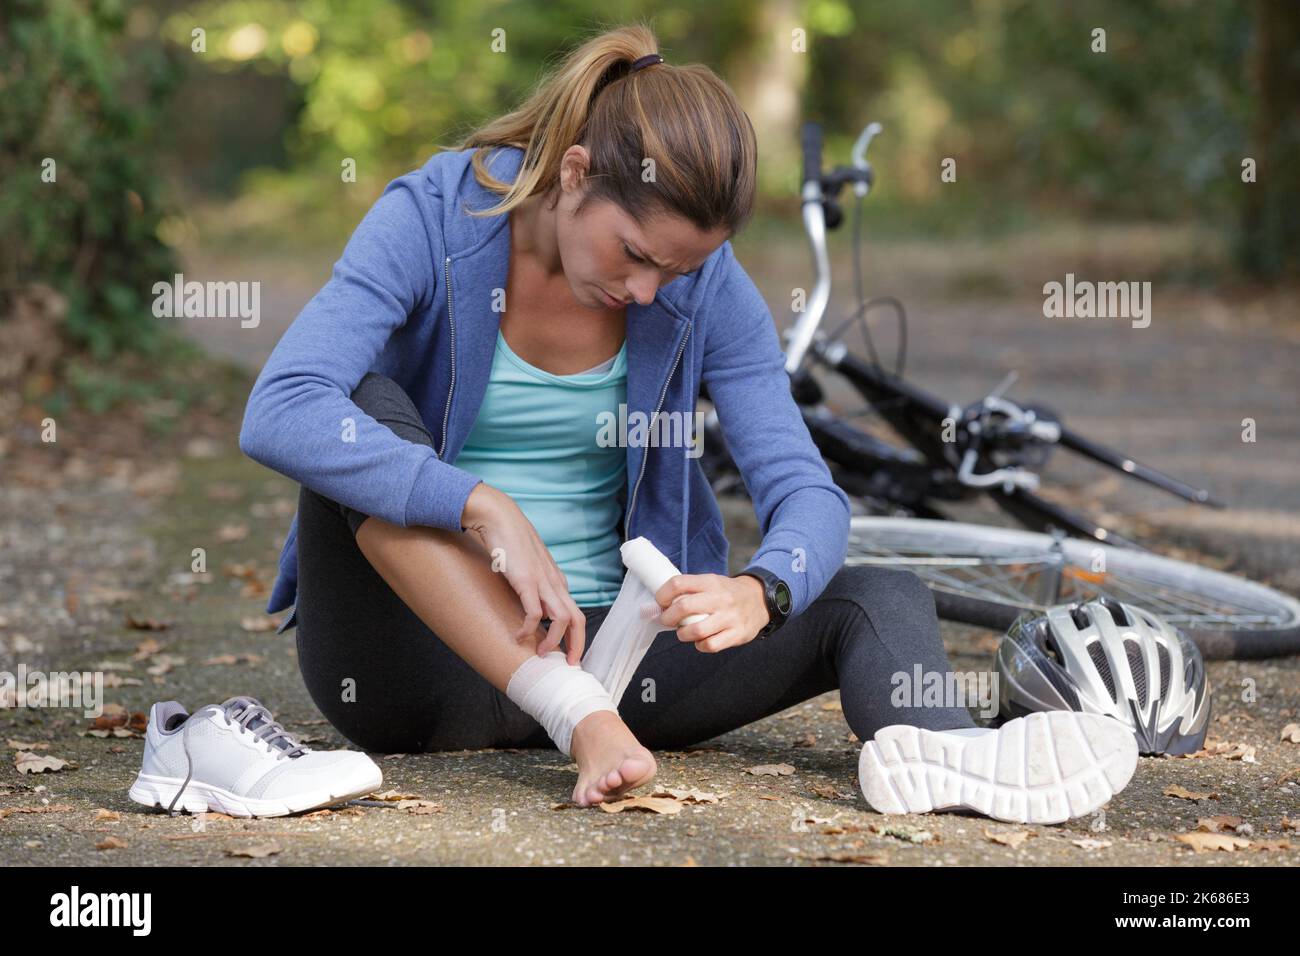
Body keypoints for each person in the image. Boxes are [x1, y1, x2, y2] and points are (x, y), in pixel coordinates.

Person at [239, 24, 1120, 820]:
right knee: (357, 412)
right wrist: (479, 504)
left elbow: (805, 491)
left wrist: (763, 588)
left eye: (679, 269)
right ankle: (568, 710)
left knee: (879, 594)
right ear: (574, 173)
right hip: (424, 666)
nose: (648, 292)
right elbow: (283, 406)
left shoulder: (703, 283)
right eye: (634, 255)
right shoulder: (435, 217)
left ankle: (952, 757)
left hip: (629, 669)